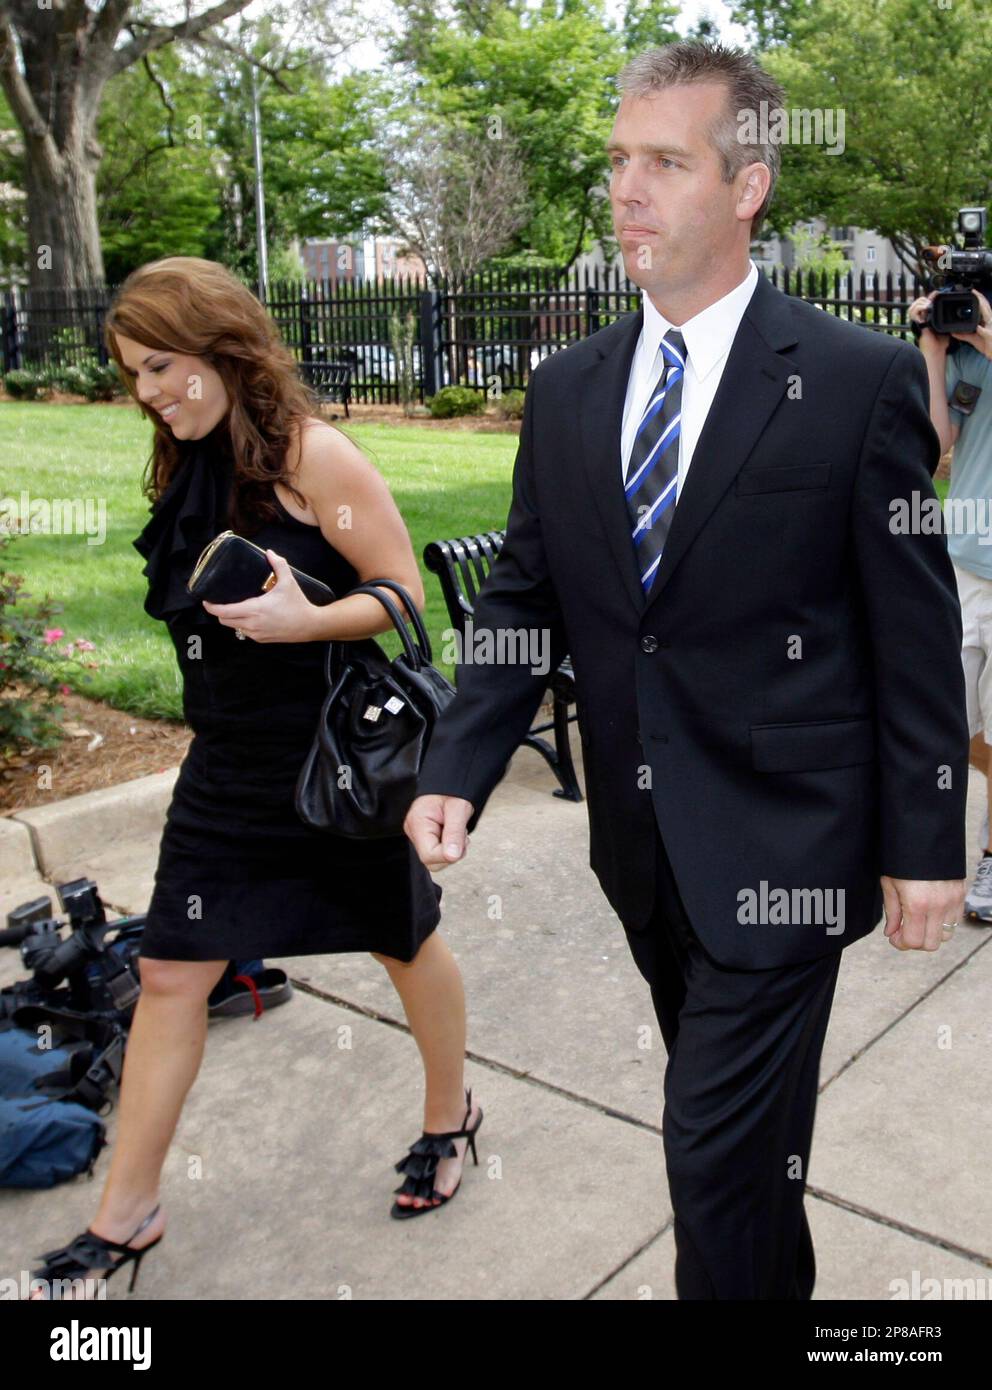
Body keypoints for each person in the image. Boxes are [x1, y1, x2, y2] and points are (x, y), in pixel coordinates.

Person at [404, 40, 969, 1299]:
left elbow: (914, 634)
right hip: (642, 847)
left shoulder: (854, 378)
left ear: (748, 184)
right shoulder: (567, 388)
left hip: (786, 843)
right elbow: (526, 594)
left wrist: (928, 834)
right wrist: (460, 755)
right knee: (745, 1154)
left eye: (665, 161)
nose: (627, 190)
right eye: (617, 162)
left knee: (706, 1155)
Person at [27, 256, 482, 1301]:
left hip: (334, 764)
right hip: (227, 770)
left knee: (401, 940)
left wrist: (306, 620)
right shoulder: (187, 462)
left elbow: (402, 594)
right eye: (132, 374)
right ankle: (129, 1211)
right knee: (171, 971)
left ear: (224, 349)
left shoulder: (312, 456)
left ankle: (448, 1113)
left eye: (160, 367)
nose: (146, 392)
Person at [910, 284, 992, 922]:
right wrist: (935, 353)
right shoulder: (967, 359)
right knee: (948, 723)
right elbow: (935, 446)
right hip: (962, 563)